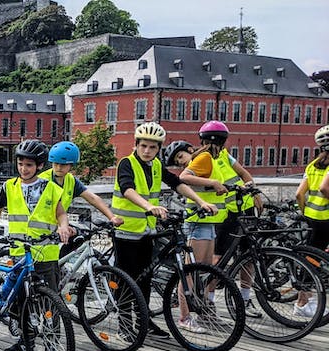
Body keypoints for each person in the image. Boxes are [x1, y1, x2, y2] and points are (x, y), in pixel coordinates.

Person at [110, 122, 218, 339]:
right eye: (143, 146)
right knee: (126, 278)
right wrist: (149, 207)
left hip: (146, 231)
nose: (147, 151)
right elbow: (127, 189)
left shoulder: (156, 165)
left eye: (152, 147)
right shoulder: (127, 163)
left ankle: (144, 321)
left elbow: (177, 183)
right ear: (136, 145)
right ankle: (124, 324)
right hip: (125, 230)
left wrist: (200, 201)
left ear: (159, 148)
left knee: (145, 278)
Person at [0, 139, 74, 351]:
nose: (24, 169)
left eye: (29, 165)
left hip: (46, 253)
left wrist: (63, 226)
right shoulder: (9, 187)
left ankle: (52, 349)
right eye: (20, 164)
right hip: (20, 252)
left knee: (51, 304)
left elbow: (61, 213)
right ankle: (25, 340)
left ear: (40, 166)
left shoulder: (51, 188)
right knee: (22, 302)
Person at [197, 121, 264, 318]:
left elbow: (243, 173)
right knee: (218, 259)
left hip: (245, 207)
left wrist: (253, 191)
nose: (217, 144)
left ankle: (244, 299)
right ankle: (208, 301)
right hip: (225, 214)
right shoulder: (204, 158)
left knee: (248, 256)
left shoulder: (225, 155)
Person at [176, 137, 232, 329]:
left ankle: (205, 313)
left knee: (206, 271)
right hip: (197, 222)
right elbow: (184, 177)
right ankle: (184, 318)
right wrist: (213, 182)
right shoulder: (205, 157)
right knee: (190, 273)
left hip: (208, 222)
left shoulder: (212, 158)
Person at [37, 140, 124, 259]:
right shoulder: (43, 181)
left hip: (58, 224)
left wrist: (112, 217)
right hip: (39, 227)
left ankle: (60, 263)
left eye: (63, 165)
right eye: (55, 164)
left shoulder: (71, 181)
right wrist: (59, 227)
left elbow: (92, 198)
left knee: (79, 236)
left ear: (71, 165)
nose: (58, 167)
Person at [292, 124, 329, 316]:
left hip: (313, 219)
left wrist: (305, 212)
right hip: (326, 219)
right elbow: (324, 188)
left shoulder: (312, 165)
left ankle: (306, 300)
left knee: (311, 259)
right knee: (314, 260)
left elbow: (299, 194)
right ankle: (303, 302)